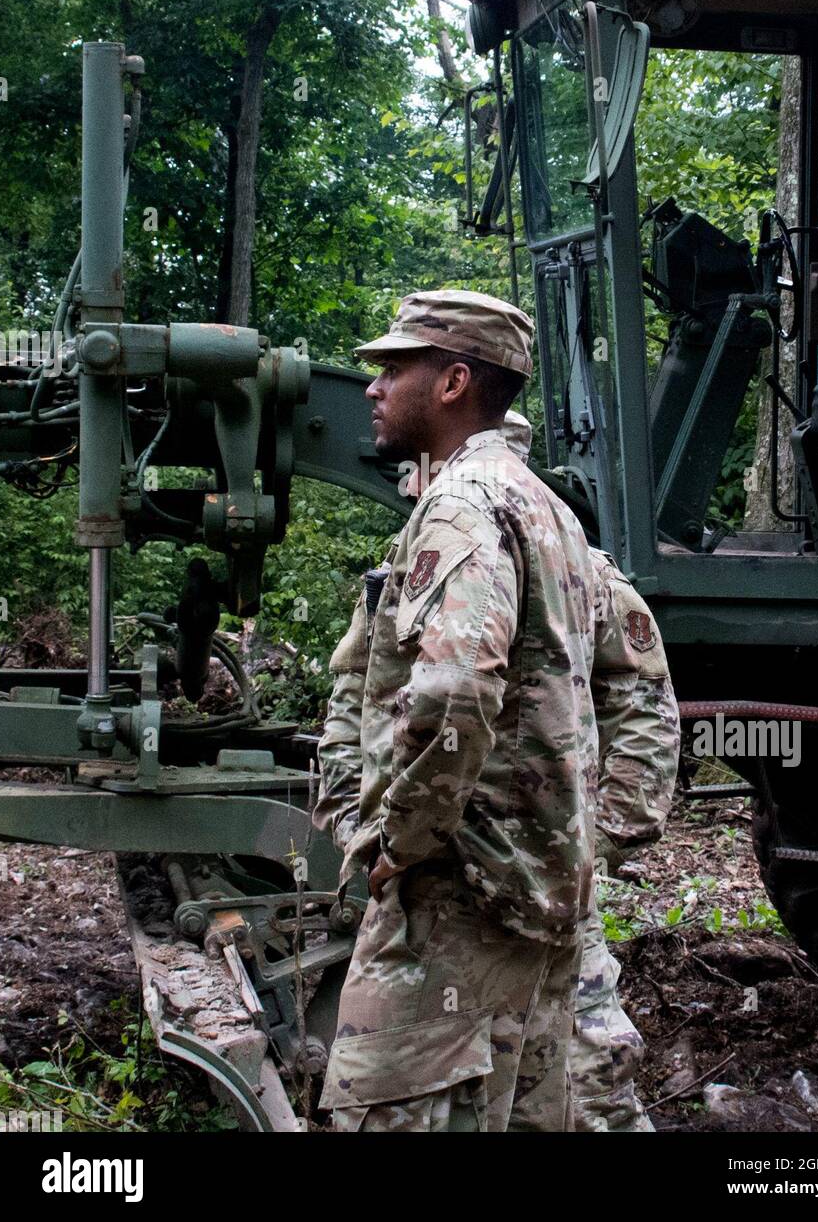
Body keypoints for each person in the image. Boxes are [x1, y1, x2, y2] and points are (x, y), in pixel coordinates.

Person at [312, 288, 601, 1132]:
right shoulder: (549, 511)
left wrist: (398, 843)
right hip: (533, 888)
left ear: (453, 383)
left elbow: (454, 693)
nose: (372, 387)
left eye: (393, 368)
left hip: (456, 903)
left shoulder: (464, 505)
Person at [499, 414, 680, 1133]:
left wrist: (604, 837)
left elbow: (645, 705)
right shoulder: (426, 566)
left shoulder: (585, 575)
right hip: (454, 875)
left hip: (549, 864)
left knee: (588, 1061)